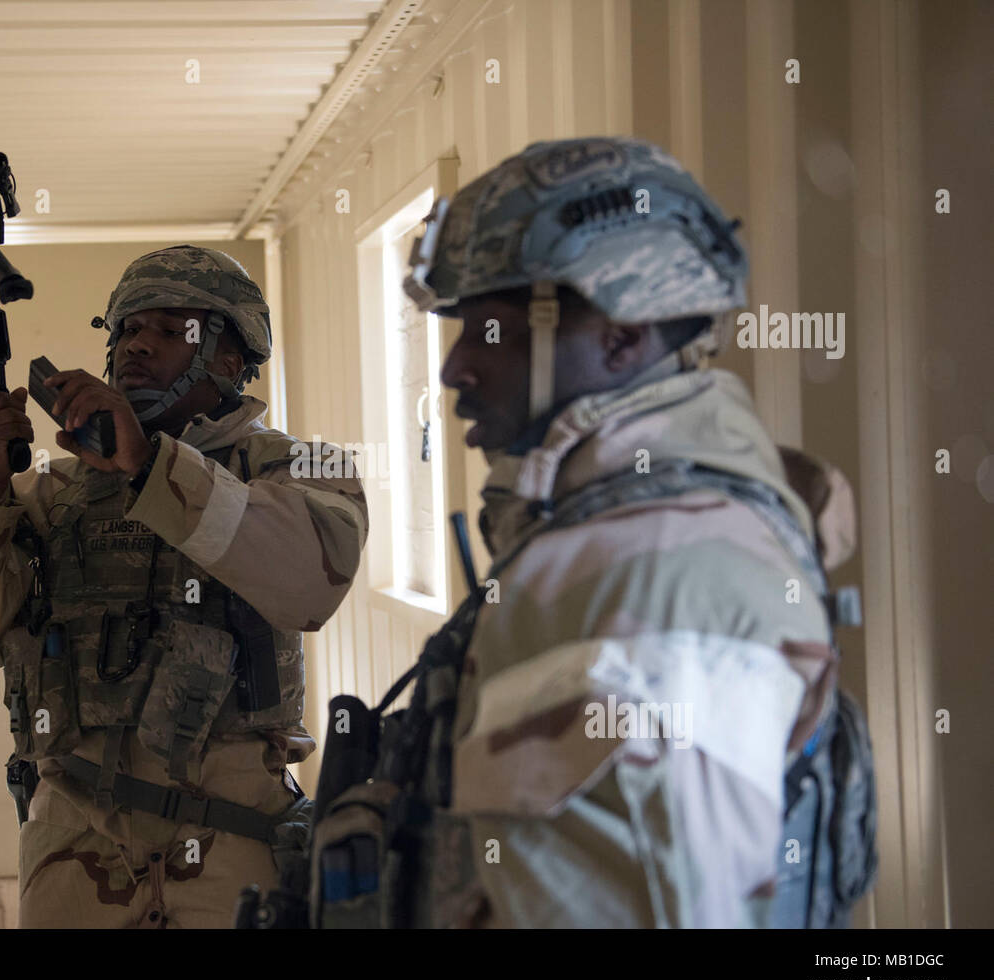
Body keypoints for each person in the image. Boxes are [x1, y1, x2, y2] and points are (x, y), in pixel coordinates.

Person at [318, 136, 866, 927]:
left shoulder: (660, 573)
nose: (455, 368)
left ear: (621, 337)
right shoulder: (600, 527)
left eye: (491, 330)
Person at [0, 245, 368, 928]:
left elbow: (309, 584)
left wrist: (149, 466)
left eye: (169, 329)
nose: (136, 346)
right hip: (73, 858)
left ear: (230, 356)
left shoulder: (299, 468)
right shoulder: (52, 494)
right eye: (125, 329)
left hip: (233, 854)